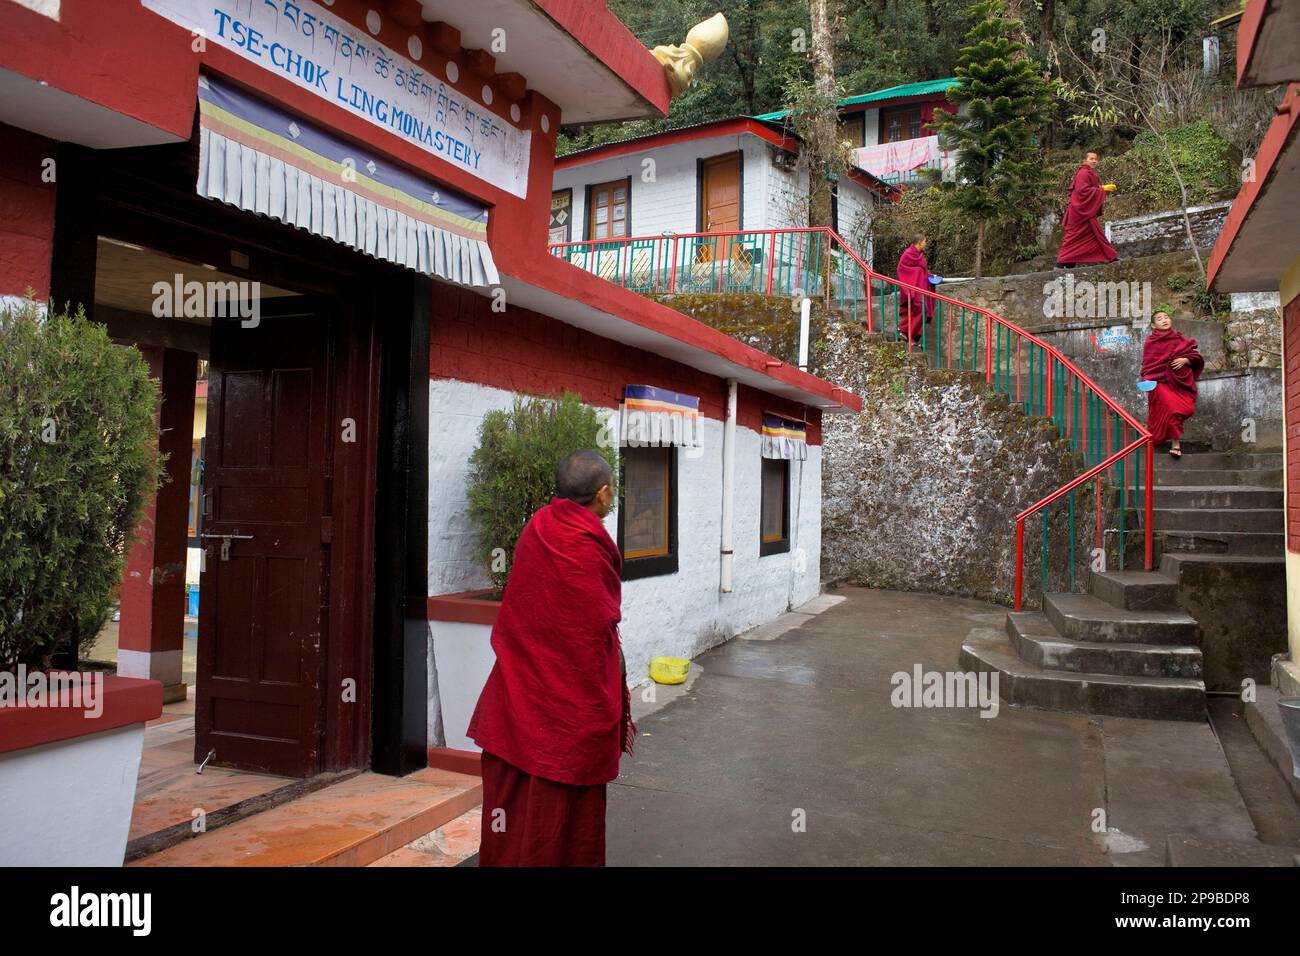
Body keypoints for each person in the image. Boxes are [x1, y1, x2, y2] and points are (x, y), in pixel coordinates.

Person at [467, 449, 635, 866]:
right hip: (565, 705)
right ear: (603, 493)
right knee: (562, 814)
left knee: (518, 807)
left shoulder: (537, 527)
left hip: (518, 691)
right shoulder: (587, 543)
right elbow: (593, 628)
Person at [1140, 307, 1203, 458]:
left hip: (1178, 382)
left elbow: (1195, 356)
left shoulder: (1179, 339)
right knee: (1173, 410)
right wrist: (1148, 380)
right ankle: (1176, 444)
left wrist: (1186, 359)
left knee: (1186, 409)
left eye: (1166, 317)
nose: (1164, 320)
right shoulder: (1151, 342)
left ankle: (1162, 437)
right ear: (1154, 326)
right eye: (1160, 319)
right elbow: (1148, 364)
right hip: (1159, 381)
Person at [1056, 151, 1119, 268]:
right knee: (1073, 238)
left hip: (1085, 211)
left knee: (1094, 236)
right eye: (1091, 159)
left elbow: (1089, 189)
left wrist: (1101, 189)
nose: (1094, 161)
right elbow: (1082, 192)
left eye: (1096, 159)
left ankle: (1069, 264)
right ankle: (1060, 264)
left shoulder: (1091, 173)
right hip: (1079, 211)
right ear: (1085, 160)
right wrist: (1102, 190)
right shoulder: (1083, 173)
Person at [896, 235, 934, 344]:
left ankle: (908, 335)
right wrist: (910, 287)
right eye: (925, 241)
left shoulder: (919, 256)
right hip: (913, 290)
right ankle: (903, 329)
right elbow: (901, 269)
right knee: (920, 310)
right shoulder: (908, 254)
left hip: (920, 289)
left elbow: (924, 272)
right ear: (920, 242)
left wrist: (931, 277)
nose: (926, 244)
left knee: (922, 311)